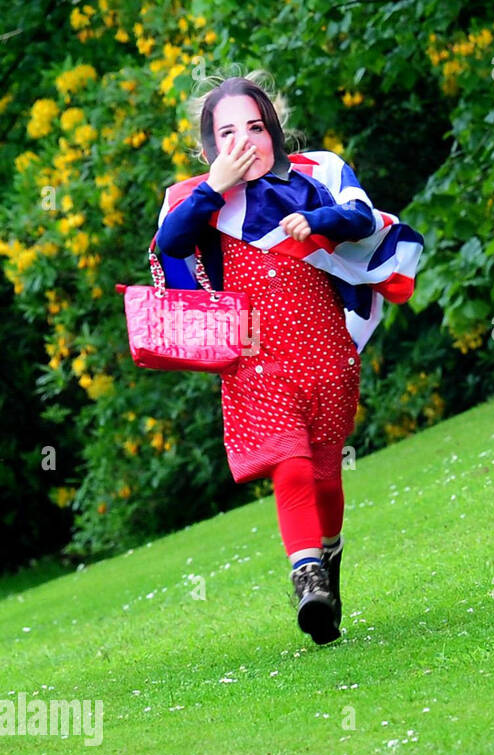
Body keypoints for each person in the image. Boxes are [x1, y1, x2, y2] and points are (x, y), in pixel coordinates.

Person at [154, 71, 423, 644]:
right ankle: (306, 574)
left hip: (326, 349)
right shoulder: (193, 200)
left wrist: (318, 220)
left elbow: (366, 219)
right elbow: (170, 244)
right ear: (209, 145)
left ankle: (328, 563)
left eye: (255, 127)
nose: (244, 141)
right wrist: (215, 186)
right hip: (253, 360)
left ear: (274, 130)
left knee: (325, 477)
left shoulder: (319, 173)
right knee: (290, 463)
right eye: (228, 132)